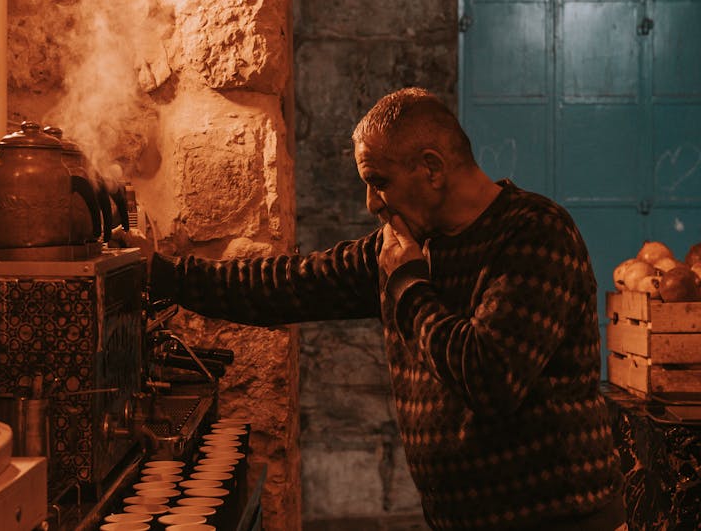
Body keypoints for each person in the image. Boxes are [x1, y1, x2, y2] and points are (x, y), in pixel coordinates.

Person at [140, 87, 626, 530]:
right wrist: (161, 274)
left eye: (379, 181)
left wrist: (408, 286)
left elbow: (489, 376)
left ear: (432, 168)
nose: (372, 203)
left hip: (561, 519)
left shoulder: (535, 233)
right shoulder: (409, 246)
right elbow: (289, 284)